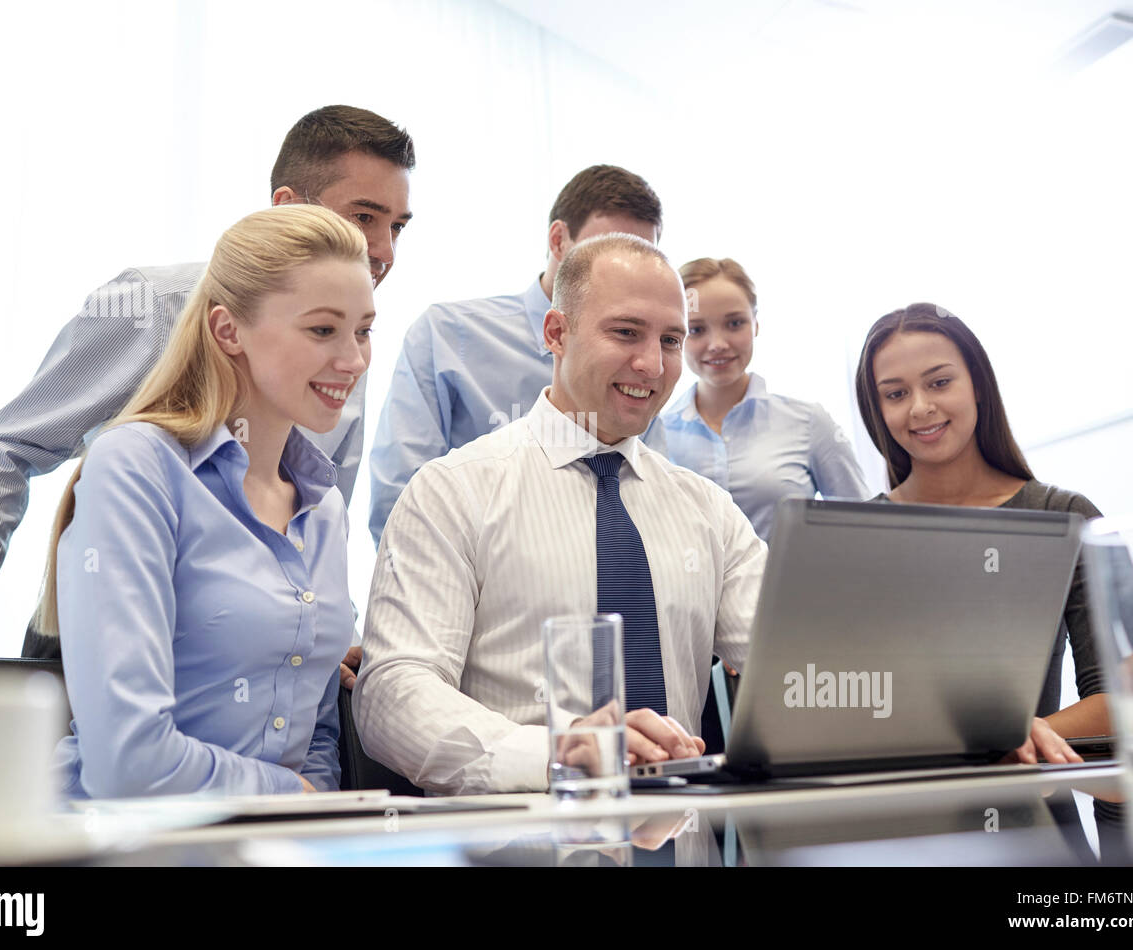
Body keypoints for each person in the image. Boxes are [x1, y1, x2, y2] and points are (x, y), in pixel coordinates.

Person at [0, 105, 414, 675]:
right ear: (288, 208)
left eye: (397, 226)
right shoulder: (150, 306)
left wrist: (329, 630)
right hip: (106, 654)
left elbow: (317, 522)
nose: (385, 249)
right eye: (364, 216)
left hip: (253, 672)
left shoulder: (348, 351)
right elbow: (6, 451)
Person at [355, 234, 767, 795]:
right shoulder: (451, 493)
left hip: (684, 844)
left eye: (671, 339)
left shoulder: (710, 512)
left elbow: (795, 665)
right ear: (556, 333)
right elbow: (393, 694)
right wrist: (560, 755)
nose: (652, 363)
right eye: (625, 332)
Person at [49, 204, 370, 798]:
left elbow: (316, 738)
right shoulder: (138, 466)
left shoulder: (324, 508)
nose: (352, 359)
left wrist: (313, 822)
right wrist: (291, 797)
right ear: (229, 331)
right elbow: (128, 762)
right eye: (323, 329)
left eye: (364, 329)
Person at [854, 302, 1109, 763]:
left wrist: (1018, 736)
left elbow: (1118, 701)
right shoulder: (856, 536)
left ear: (978, 386)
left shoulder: (1063, 517)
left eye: (939, 382)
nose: (921, 407)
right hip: (895, 814)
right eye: (895, 394)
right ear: (878, 411)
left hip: (1030, 816)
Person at [367, 164, 663, 545]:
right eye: (605, 251)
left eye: (641, 256)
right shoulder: (447, 336)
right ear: (558, 240)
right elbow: (402, 501)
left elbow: (656, 494)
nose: (628, 276)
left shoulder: (645, 363)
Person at [661, 257, 868, 540]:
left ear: (755, 323)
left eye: (734, 323)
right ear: (677, 333)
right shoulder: (653, 433)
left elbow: (863, 530)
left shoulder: (809, 423)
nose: (718, 344)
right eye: (696, 329)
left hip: (790, 585)